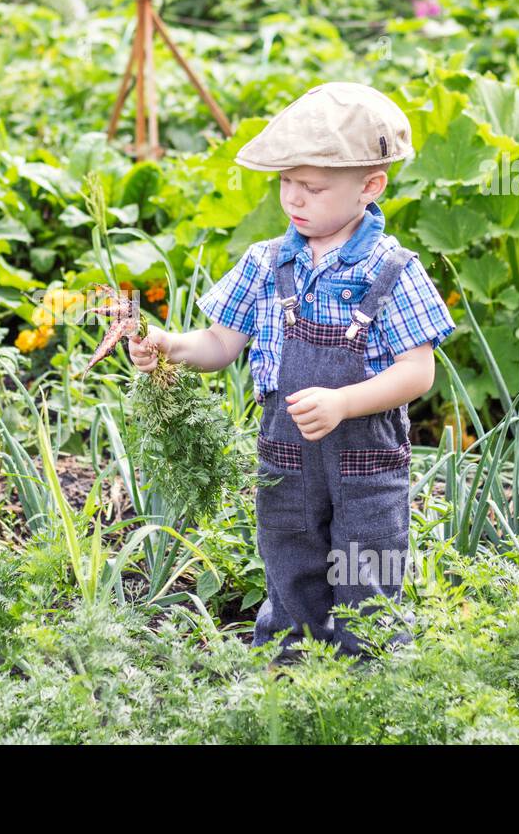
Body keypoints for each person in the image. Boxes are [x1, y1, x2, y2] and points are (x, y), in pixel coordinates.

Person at [128, 82, 457, 661]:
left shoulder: (393, 270)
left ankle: (371, 690)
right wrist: (169, 345)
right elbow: (220, 343)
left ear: (370, 187)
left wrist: (344, 403)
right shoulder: (266, 262)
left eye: (313, 187)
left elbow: (417, 374)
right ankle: (289, 683)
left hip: (365, 466)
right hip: (286, 459)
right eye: (286, 183)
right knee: (290, 564)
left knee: (366, 578)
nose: (294, 200)